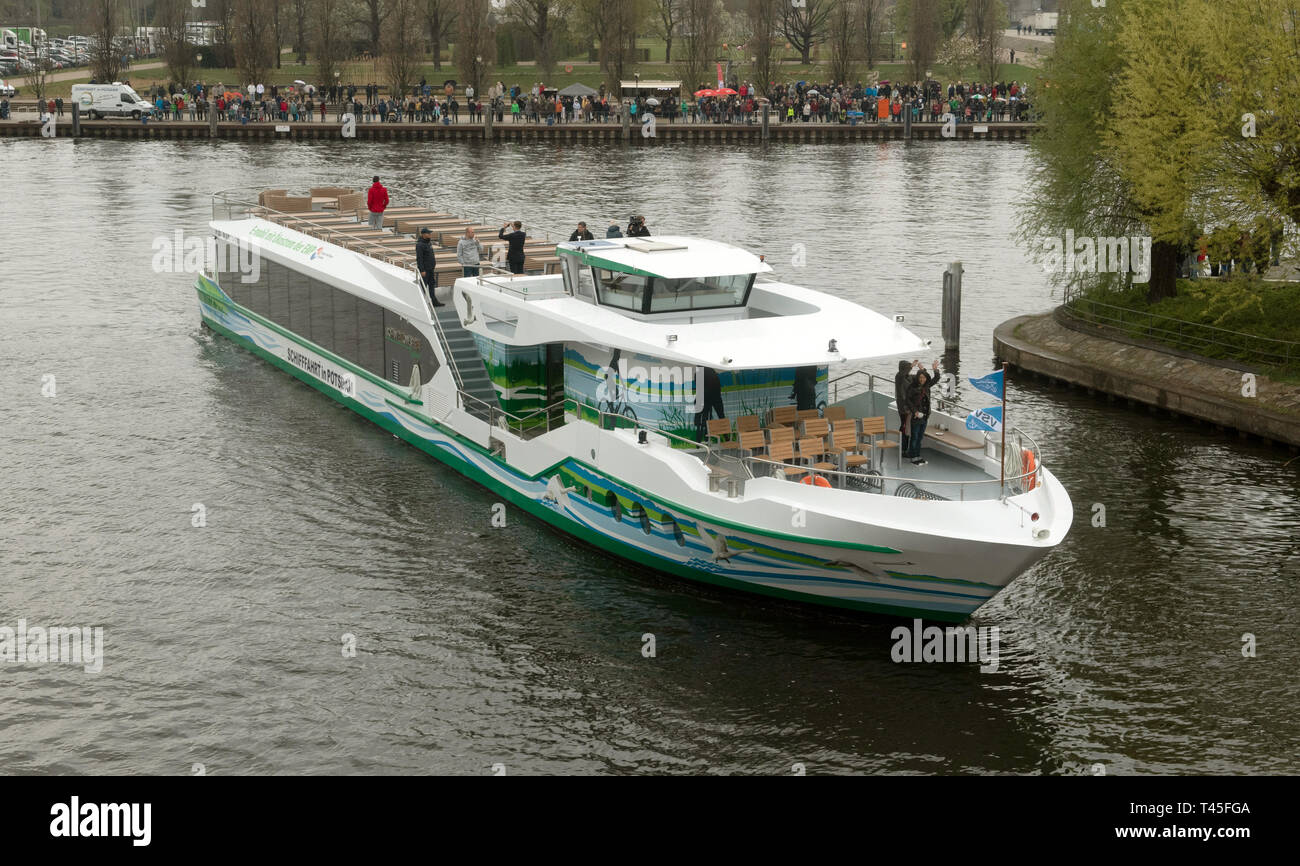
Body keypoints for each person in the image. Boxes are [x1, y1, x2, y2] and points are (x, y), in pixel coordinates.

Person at [906, 361, 939, 465]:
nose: (922, 380)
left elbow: (936, 378)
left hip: (925, 416)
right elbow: (907, 400)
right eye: (920, 377)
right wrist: (914, 411)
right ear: (917, 378)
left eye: (924, 378)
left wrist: (935, 369)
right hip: (916, 416)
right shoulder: (912, 387)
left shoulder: (927, 386)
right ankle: (913, 457)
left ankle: (918, 455)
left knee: (920, 437)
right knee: (915, 436)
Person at [416, 228, 442, 306]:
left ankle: (434, 301)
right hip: (425, 270)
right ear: (423, 234)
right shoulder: (420, 245)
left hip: (431, 268)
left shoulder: (428, 243)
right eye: (428, 233)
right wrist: (422, 270)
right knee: (423, 287)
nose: (430, 234)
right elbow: (419, 259)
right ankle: (420, 302)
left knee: (431, 285)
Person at [895, 359, 915, 455]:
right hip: (903, 408)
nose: (909, 370)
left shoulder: (908, 377)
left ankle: (904, 447)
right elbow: (902, 374)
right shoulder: (899, 376)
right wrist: (912, 366)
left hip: (909, 406)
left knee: (906, 427)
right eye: (907, 368)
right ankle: (903, 448)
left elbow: (918, 378)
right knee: (904, 427)